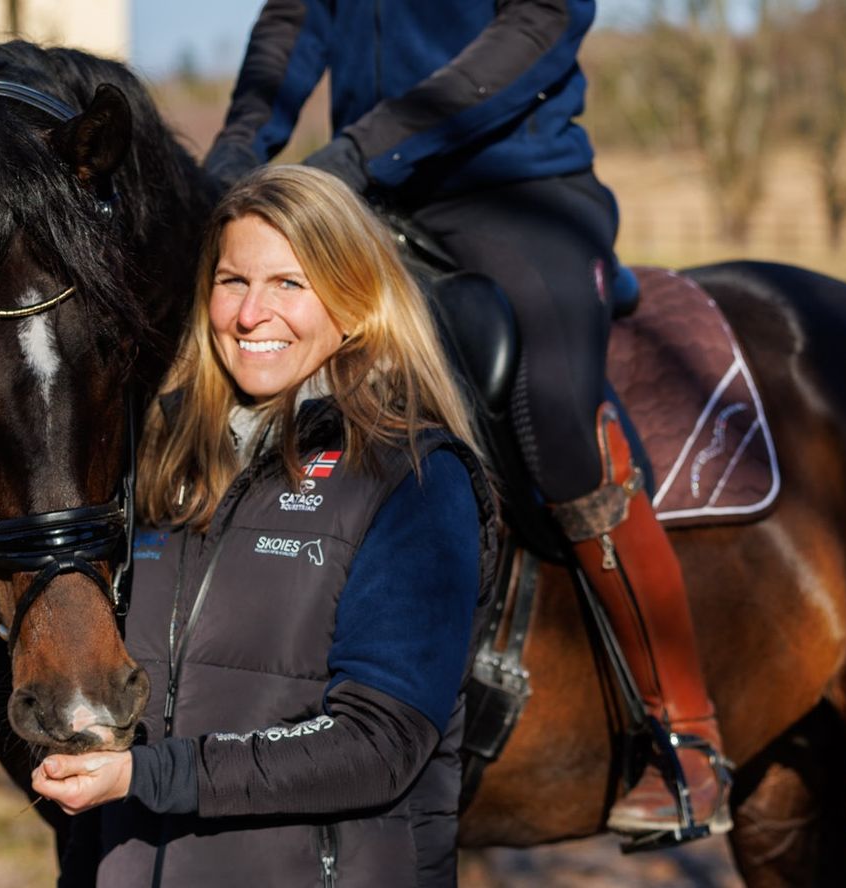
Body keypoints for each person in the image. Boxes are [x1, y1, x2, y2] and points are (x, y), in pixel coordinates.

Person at [201, 0, 731, 839]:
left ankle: (682, 728)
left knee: (554, 420)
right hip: (365, 196)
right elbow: (292, 24)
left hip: (519, 194)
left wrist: (361, 148)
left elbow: (540, 25)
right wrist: (235, 153)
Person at [31, 165, 499, 886]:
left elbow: (379, 744)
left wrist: (148, 776)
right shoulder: (166, 465)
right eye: (232, 281)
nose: (251, 315)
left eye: (289, 283)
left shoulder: (412, 478)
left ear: (356, 298)